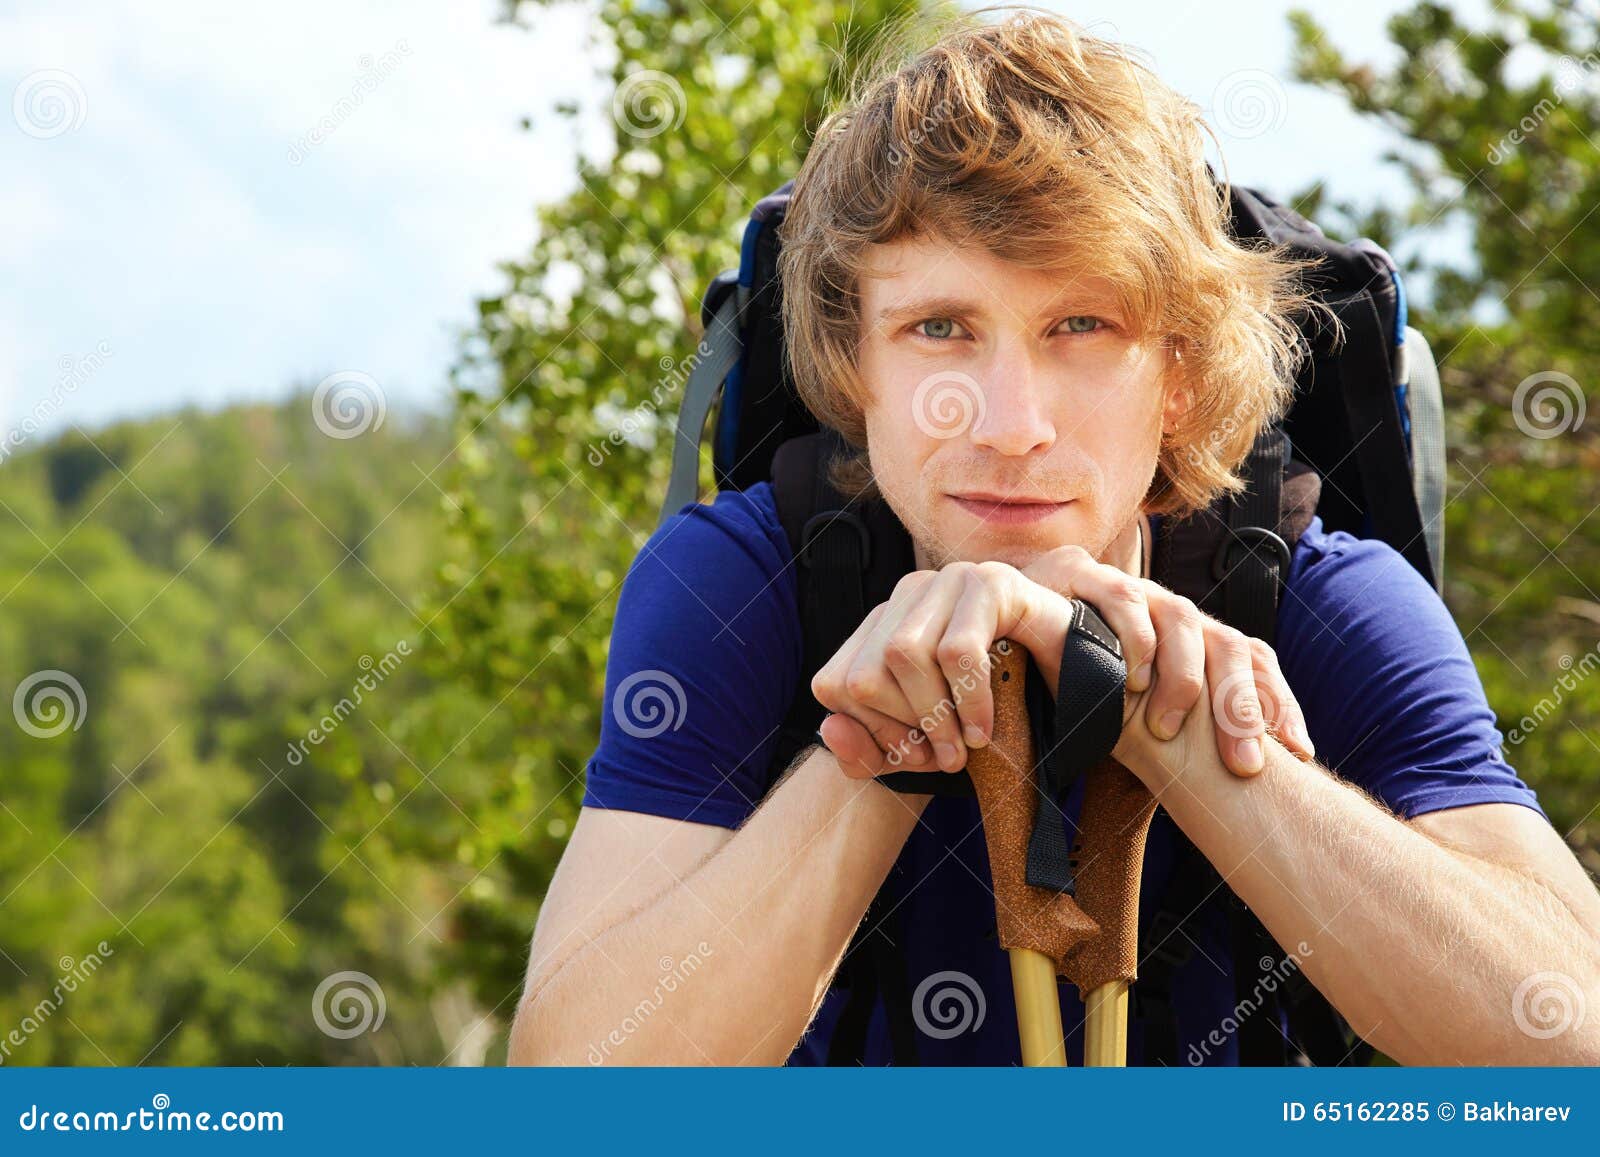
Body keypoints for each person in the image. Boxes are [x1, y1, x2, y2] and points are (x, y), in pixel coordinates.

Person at [507, 9, 1600, 1066]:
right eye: (940, 328)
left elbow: (1571, 1043)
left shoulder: (1311, 594)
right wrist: (876, 750)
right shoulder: (741, 584)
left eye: (1082, 326)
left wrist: (1182, 732)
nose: (1011, 425)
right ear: (853, 367)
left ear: (1179, 374)